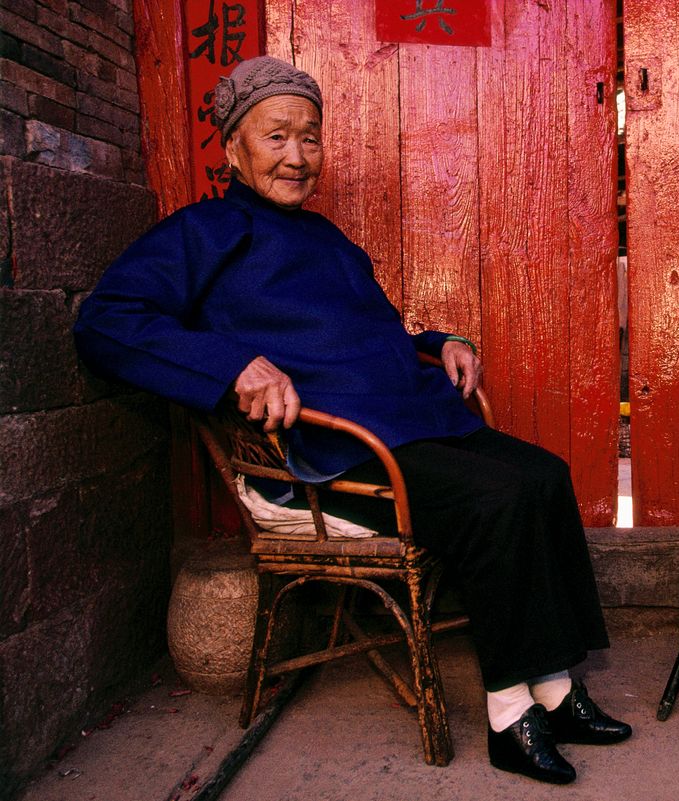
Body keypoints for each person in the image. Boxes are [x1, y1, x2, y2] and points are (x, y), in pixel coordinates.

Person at [73, 55, 630, 785]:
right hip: (328, 450)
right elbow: (106, 322)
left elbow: (368, 340)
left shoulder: (329, 239)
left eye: (310, 137)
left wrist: (438, 344)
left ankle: (555, 687)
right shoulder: (202, 232)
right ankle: (508, 714)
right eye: (276, 137)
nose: (297, 157)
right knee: (494, 497)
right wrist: (230, 366)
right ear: (234, 145)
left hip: (403, 423)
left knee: (542, 475)